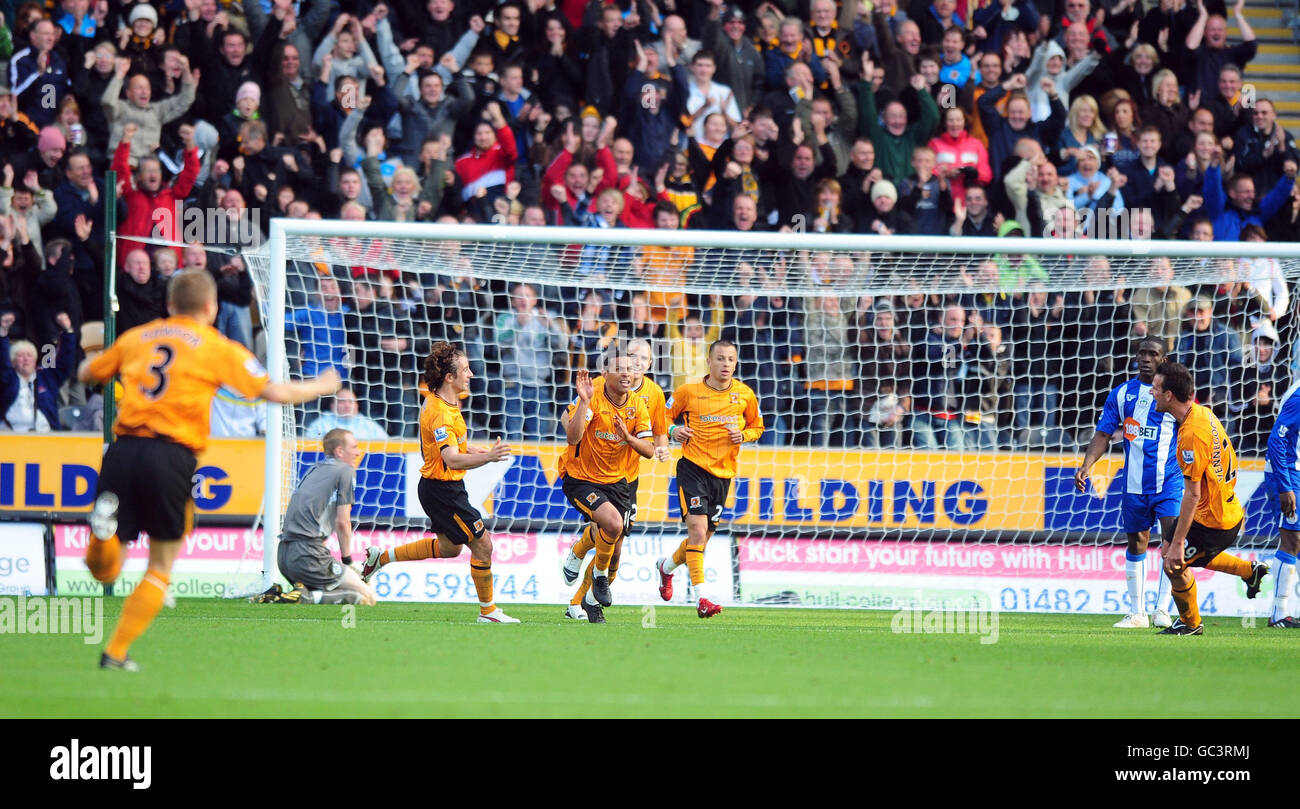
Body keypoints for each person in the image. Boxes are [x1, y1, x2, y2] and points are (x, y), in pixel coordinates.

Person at [79, 271, 342, 671]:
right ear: (211, 307)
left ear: (169, 304)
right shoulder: (217, 347)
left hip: (123, 449)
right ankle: (114, 653)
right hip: (171, 456)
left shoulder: (139, 337)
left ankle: (102, 535)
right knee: (160, 566)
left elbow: (87, 373)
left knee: (105, 570)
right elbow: (275, 392)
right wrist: (322, 385)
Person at [360, 342, 518, 623]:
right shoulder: (440, 412)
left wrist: (477, 451)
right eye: (465, 369)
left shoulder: (445, 402)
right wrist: (489, 457)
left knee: (450, 548)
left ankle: (380, 558)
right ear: (449, 376)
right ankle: (488, 612)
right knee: (484, 546)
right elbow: (452, 459)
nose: (470, 374)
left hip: (442, 488)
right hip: (442, 490)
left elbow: (451, 448)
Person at [1150, 360, 1269, 635]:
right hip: (1224, 509)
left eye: (1155, 388)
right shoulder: (1203, 414)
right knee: (1178, 552)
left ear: (1169, 395)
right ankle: (1250, 572)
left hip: (1214, 521)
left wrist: (1178, 542)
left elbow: (1192, 494)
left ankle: (1191, 624)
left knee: (1173, 563)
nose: (1151, 393)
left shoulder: (1191, 435)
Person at [1074, 339, 1181, 629]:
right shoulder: (1121, 394)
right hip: (1133, 484)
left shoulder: (1173, 396)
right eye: (1142, 353)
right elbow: (1103, 434)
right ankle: (1137, 613)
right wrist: (1086, 465)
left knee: (1171, 543)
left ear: (1164, 359)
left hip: (1168, 481)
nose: (1146, 358)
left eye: (1152, 354)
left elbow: (1193, 430)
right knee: (1137, 542)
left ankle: (1163, 609)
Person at [562, 338, 670, 621]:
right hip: (584, 475)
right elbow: (568, 424)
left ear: (646, 365)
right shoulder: (594, 389)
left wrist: (655, 445)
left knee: (615, 549)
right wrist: (583, 410)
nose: (630, 368)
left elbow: (657, 439)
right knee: (610, 526)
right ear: (607, 370)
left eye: (637, 362)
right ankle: (587, 592)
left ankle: (583, 598)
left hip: (624, 478)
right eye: (625, 361)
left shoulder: (651, 396)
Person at [656, 339, 764, 618]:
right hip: (692, 467)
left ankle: (666, 567)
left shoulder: (745, 395)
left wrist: (745, 435)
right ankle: (702, 598)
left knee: (701, 540)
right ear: (709, 362)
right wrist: (672, 431)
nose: (725, 364)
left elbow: (757, 426)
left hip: (723, 474)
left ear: (736, 363)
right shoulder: (688, 392)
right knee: (697, 531)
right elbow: (660, 416)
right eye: (720, 359)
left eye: (730, 359)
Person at [276, 428, 377, 606]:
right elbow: (342, 522)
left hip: (284, 557)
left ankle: (305, 594)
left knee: (335, 589)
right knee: (368, 598)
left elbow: (314, 521)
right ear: (339, 451)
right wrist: (348, 561)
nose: (358, 452)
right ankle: (309, 597)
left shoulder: (314, 469)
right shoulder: (345, 471)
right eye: (354, 447)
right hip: (306, 555)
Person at [1263, 381, 1300, 627]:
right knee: (1292, 538)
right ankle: (1278, 612)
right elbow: (1277, 439)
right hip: (1287, 473)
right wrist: (1285, 486)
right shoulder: (1298, 396)